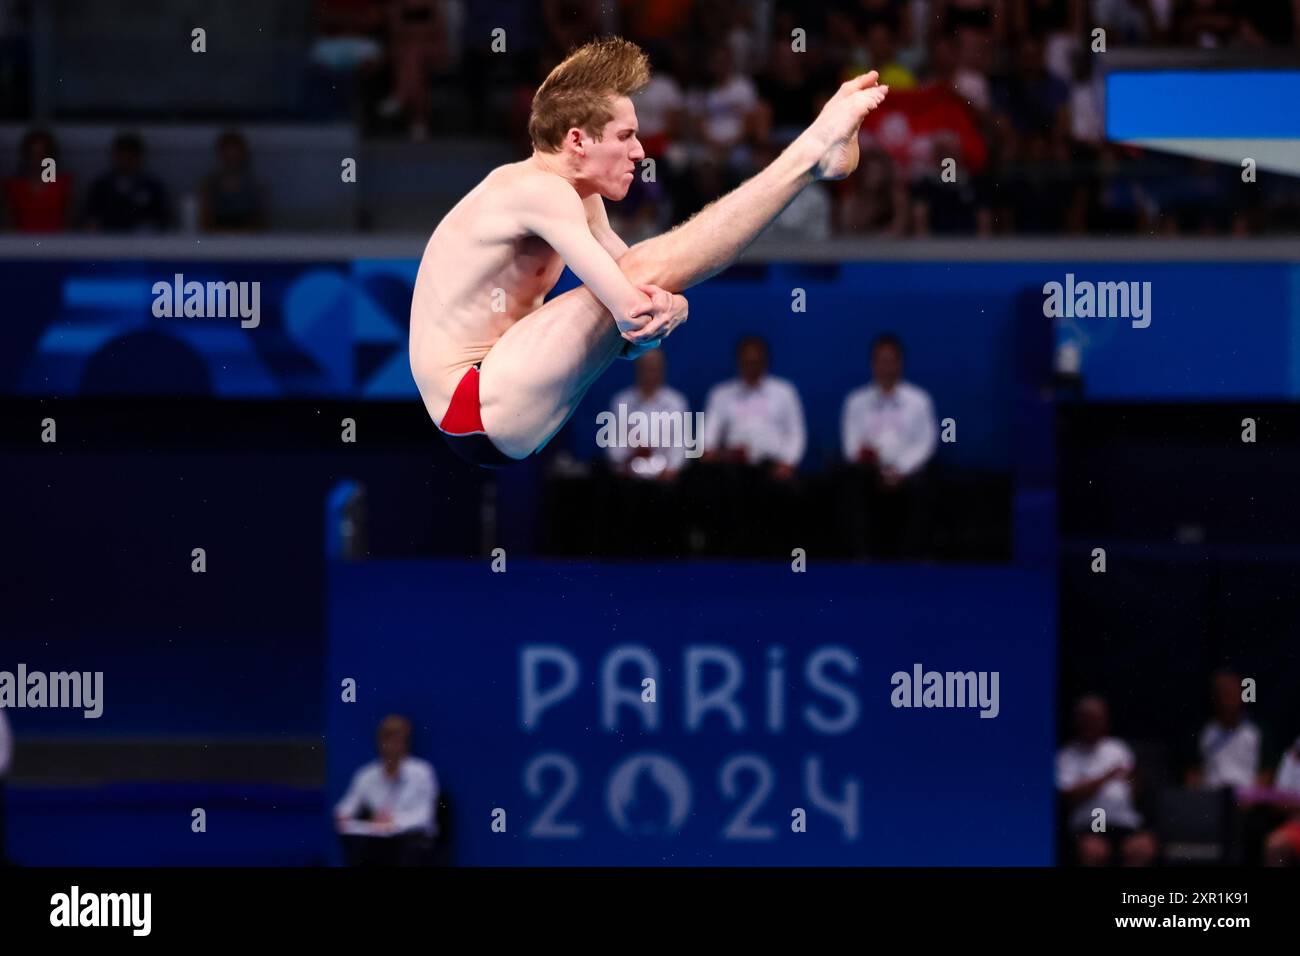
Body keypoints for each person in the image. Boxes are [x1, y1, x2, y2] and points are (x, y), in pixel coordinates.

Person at [408, 36, 888, 468]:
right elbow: (636, 311)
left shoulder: (580, 196)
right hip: (472, 398)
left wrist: (662, 309)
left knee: (643, 270)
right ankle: (808, 157)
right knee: (641, 269)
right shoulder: (536, 190)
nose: (640, 152)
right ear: (576, 140)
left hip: (496, 402)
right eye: (625, 136)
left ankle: (811, 158)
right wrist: (667, 308)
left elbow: (636, 335)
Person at [840, 333, 936, 557]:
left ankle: (912, 561)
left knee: (926, 481)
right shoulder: (856, 401)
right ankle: (862, 558)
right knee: (851, 479)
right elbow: (851, 444)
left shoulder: (919, 400)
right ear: (872, 364)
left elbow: (926, 443)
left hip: (908, 472)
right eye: (881, 361)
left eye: (891, 361)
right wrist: (877, 467)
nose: (886, 368)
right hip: (870, 471)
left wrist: (900, 471)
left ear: (900, 364)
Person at [1056, 695, 1157, 866]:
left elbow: (1135, 792)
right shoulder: (1067, 755)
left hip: (1124, 822)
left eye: (1097, 719)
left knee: (1142, 847)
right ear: (1078, 721)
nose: (1092, 724)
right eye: (1088, 719)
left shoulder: (1117, 748)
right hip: (1092, 825)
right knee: (1094, 850)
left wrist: (1136, 779)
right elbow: (1068, 797)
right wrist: (1106, 777)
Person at [335, 714, 439, 866]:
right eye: (387, 739)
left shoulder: (422, 772)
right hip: (379, 843)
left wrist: (395, 822)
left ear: (406, 742)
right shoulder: (366, 775)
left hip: (412, 843)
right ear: (379, 742)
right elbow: (347, 806)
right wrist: (343, 815)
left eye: (397, 740)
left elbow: (425, 816)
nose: (392, 746)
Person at [1188, 668, 1260, 791]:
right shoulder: (1202, 731)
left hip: (1247, 801)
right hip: (1211, 800)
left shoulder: (1255, 731)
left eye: (1231, 691)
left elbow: (1266, 776)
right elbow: (1192, 776)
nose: (1227, 696)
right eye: (1222, 691)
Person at [83, 133, 170, 233]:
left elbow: (163, 220)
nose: (125, 161)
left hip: (144, 243)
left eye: (130, 157)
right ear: (114, 156)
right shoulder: (101, 187)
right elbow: (89, 218)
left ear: (139, 157)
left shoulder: (153, 187)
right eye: (122, 156)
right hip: (107, 242)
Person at [3, 129, 73, 233]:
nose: (38, 159)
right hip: (19, 245)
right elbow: (8, 225)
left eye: (42, 154)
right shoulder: (13, 186)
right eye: (33, 154)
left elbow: (69, 223)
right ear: (26, 155)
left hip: (58, 244)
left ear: (51, 156)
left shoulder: (63, 184)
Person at [199, 132, 267, 233]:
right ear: (221, 157)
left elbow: (263, 224)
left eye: (236, 157)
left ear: (243, 156)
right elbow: (204, 224)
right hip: (216, 242)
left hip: (249, 241)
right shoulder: (209, 186)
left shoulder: (256, 186)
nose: (232, 162)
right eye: (228, 158)